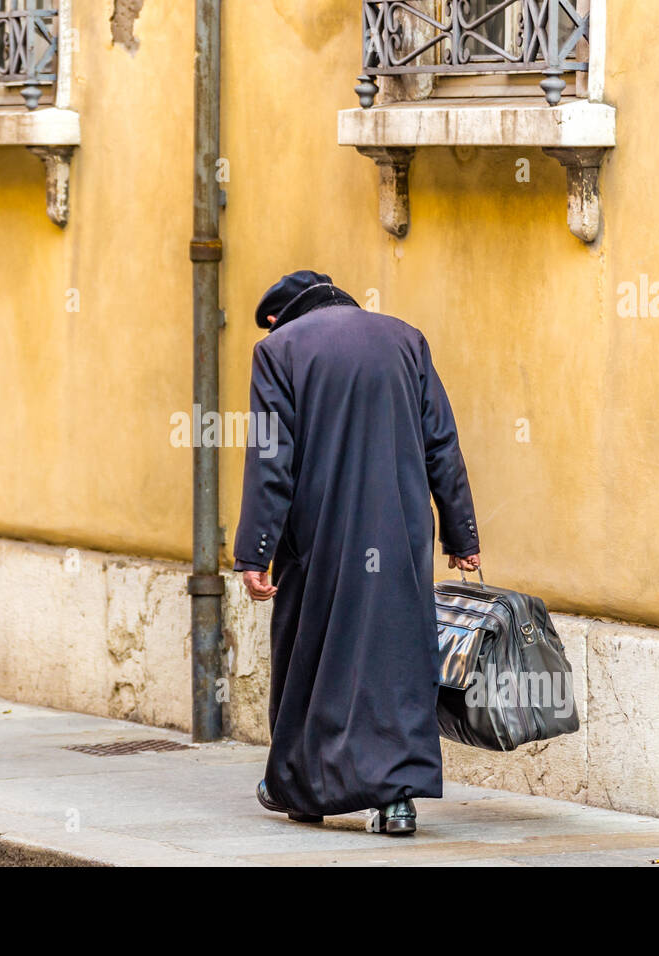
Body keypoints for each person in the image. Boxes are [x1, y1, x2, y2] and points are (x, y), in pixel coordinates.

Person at [234, 270, 480, 836]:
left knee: (311, 657)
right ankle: (396, 802)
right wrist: (461, 535)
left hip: (320, 538)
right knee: (394, 660)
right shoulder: (404, 338)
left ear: (278, 317)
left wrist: (256, 551)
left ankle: (301, 789)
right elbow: (441, 440)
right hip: (399, 536)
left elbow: (272, 460)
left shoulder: (278, 350)